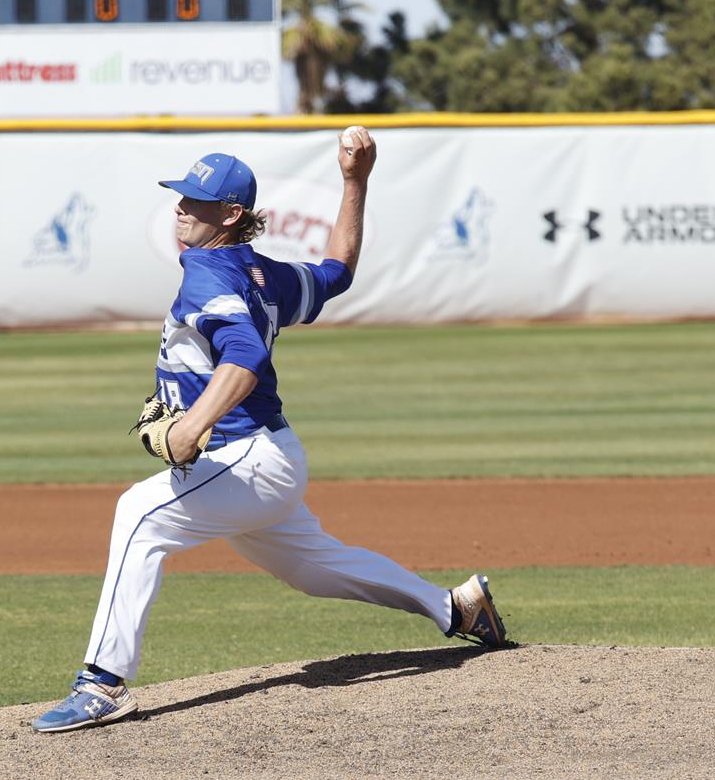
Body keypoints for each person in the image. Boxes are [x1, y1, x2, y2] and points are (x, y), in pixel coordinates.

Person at [32, 130, 508, 733]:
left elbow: (246, 355)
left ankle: (102, 683)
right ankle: (457, 608)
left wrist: (192, 425)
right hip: (264, 459)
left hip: (246, 457)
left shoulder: (210, 275)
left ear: (230, 215)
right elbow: (336, 272)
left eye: (195, 200)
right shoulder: (260, 272)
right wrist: (355, 182)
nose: (180, 206)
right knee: (312, 567)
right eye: (181, 196)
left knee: (138, 516)